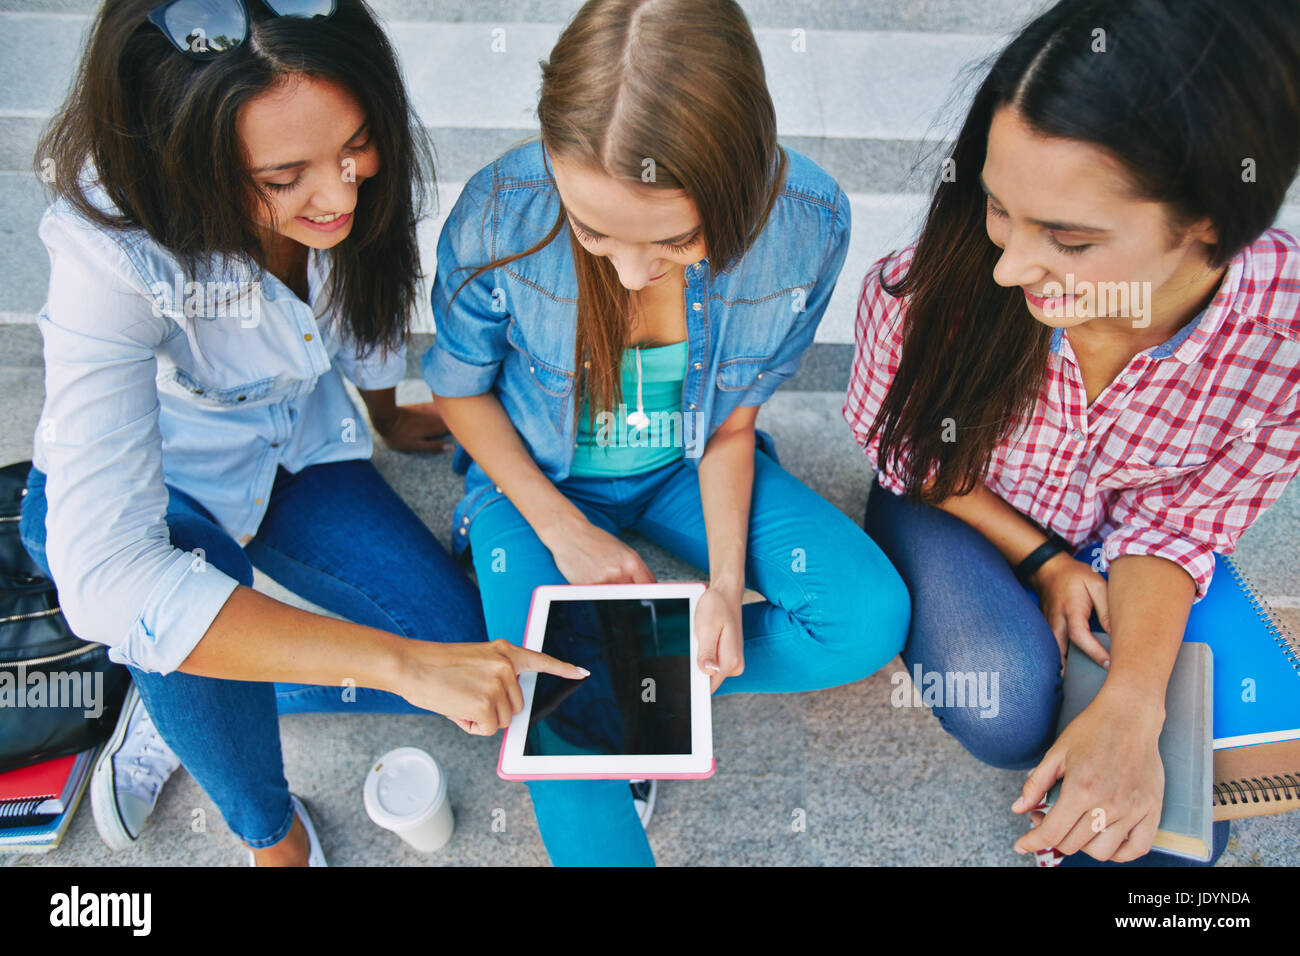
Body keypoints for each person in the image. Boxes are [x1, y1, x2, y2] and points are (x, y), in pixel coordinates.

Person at [20, 0, 580, 867]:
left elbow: (365, 304)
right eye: (284, 179)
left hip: (298, 452)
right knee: (183, 619)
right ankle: (266, 831)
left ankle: (183, 684)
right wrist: (398, 665)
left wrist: (388, 418)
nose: (340, 193)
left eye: (356, 143)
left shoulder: (341, 170)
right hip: (165, 498)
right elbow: (110, 575)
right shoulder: (108, 247)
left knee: (466, 644)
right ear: (185, 155)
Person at [424, 0, 911, 866]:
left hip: (688, 465)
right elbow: (459, 392)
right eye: (592, 229)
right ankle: (617, 700)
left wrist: (724, 586)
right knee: (564, 765)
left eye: (678, 238)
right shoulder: (501, 207)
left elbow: (732, 422)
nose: (631, 269)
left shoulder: (806, 221)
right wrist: (561, 527)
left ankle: (636, 693)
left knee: (867, 618)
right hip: (533, 477)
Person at [844, 0, 1300, 865]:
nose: (1009, 266)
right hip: (958, 497)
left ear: (1209, 225)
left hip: (1134, 540)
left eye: (1070, 239)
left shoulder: (1283, 335)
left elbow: (1182, 521)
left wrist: (1134, 702)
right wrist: (1043, 560)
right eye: (998, 206)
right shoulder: (924, 287)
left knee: (1174, 834)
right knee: (1004, 705)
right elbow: (907, 448)